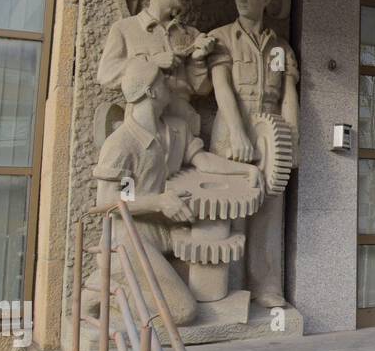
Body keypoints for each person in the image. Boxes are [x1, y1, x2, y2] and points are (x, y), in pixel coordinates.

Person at [93, 60, 261, 325]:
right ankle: (112, 292)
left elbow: (203, 160)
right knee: (182, 310)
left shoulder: (176, 128)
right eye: (162, 80)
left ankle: (129, 281)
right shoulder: (121, 143)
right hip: (130, 235)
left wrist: (243, 171)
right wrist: (158, 202)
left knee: (214, 276)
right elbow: (107, 200)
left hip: (168, 231)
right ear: (150, 91)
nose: (168, 84)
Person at [208, 0, 299, 308]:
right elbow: (222, 89)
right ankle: (228, 285)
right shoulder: (220, 38)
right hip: (235, 125)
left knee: (269, 209)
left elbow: (289, 96)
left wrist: (293, 141)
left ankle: (266, 286)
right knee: (232, 208)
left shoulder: (280, 47)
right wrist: (237, 133)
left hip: (271, 130)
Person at [97, 0, 215, 136]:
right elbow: (105, 74)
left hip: (184, 119)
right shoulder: (125, 28)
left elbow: (202, 89)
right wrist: (151, 63)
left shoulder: (191, 34)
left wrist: (198, 60)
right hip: (145, 120)